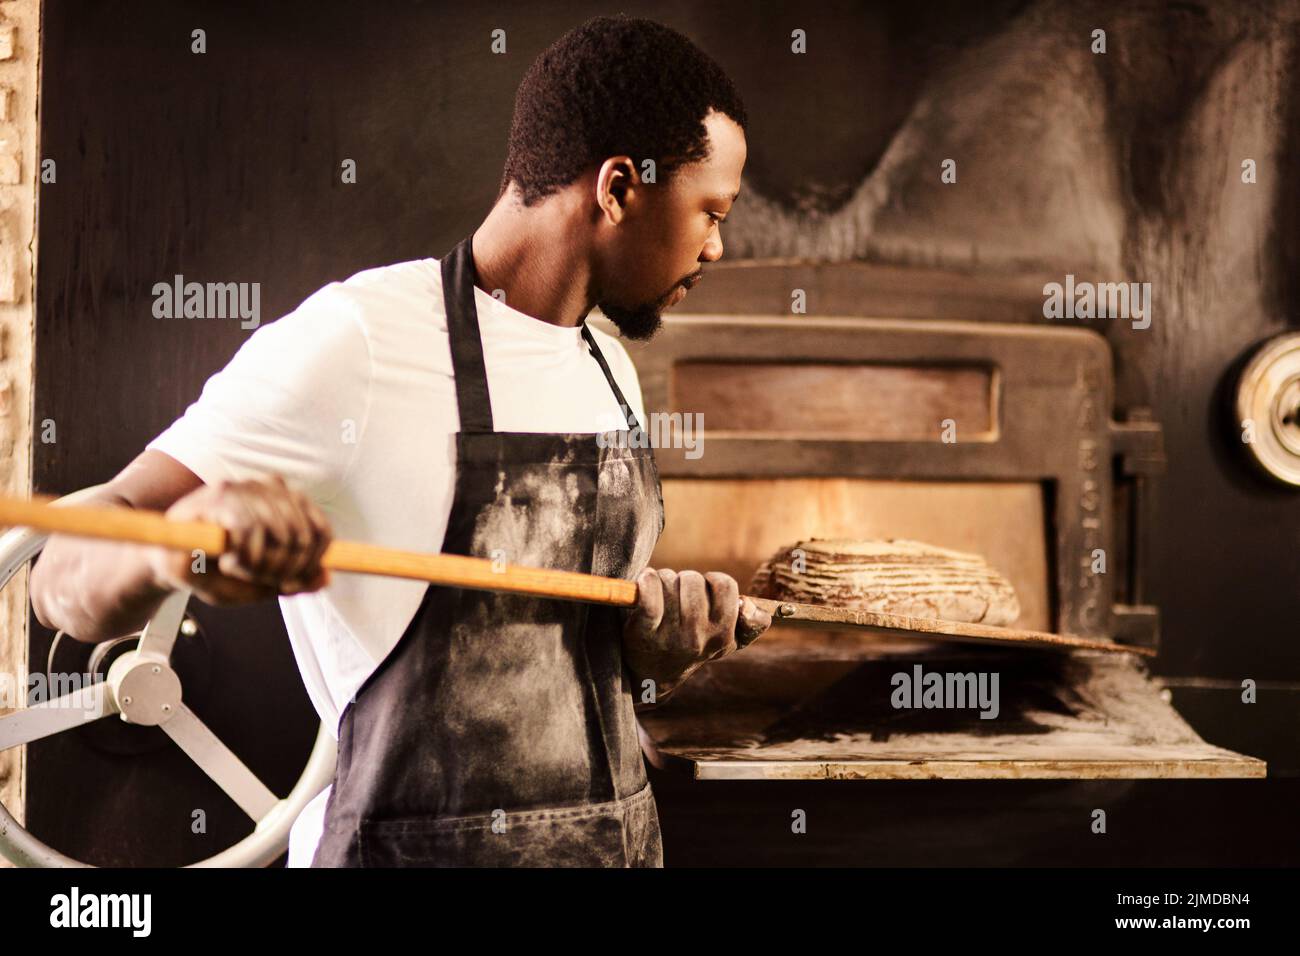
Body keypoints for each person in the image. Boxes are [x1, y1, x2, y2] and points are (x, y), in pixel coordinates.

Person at [30, 14, 770, 867]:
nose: (717, 245)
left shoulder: (611, 369)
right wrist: (175, 552)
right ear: (616, 189)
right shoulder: (363, 342)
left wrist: (652, 655)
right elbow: (62, 577)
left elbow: (573, 675)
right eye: (711, 211)